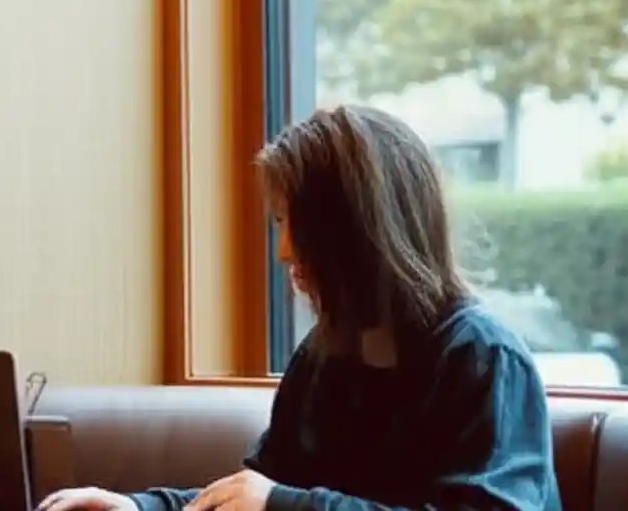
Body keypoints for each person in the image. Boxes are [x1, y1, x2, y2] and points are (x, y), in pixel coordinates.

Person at [40, 106, 560, 511]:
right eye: (279, 223)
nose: (283, 250)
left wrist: (283, 504)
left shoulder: (483, 359)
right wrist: (141, 505)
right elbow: (260, 489)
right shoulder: (324, 355)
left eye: (297, 225)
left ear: (361, 230)